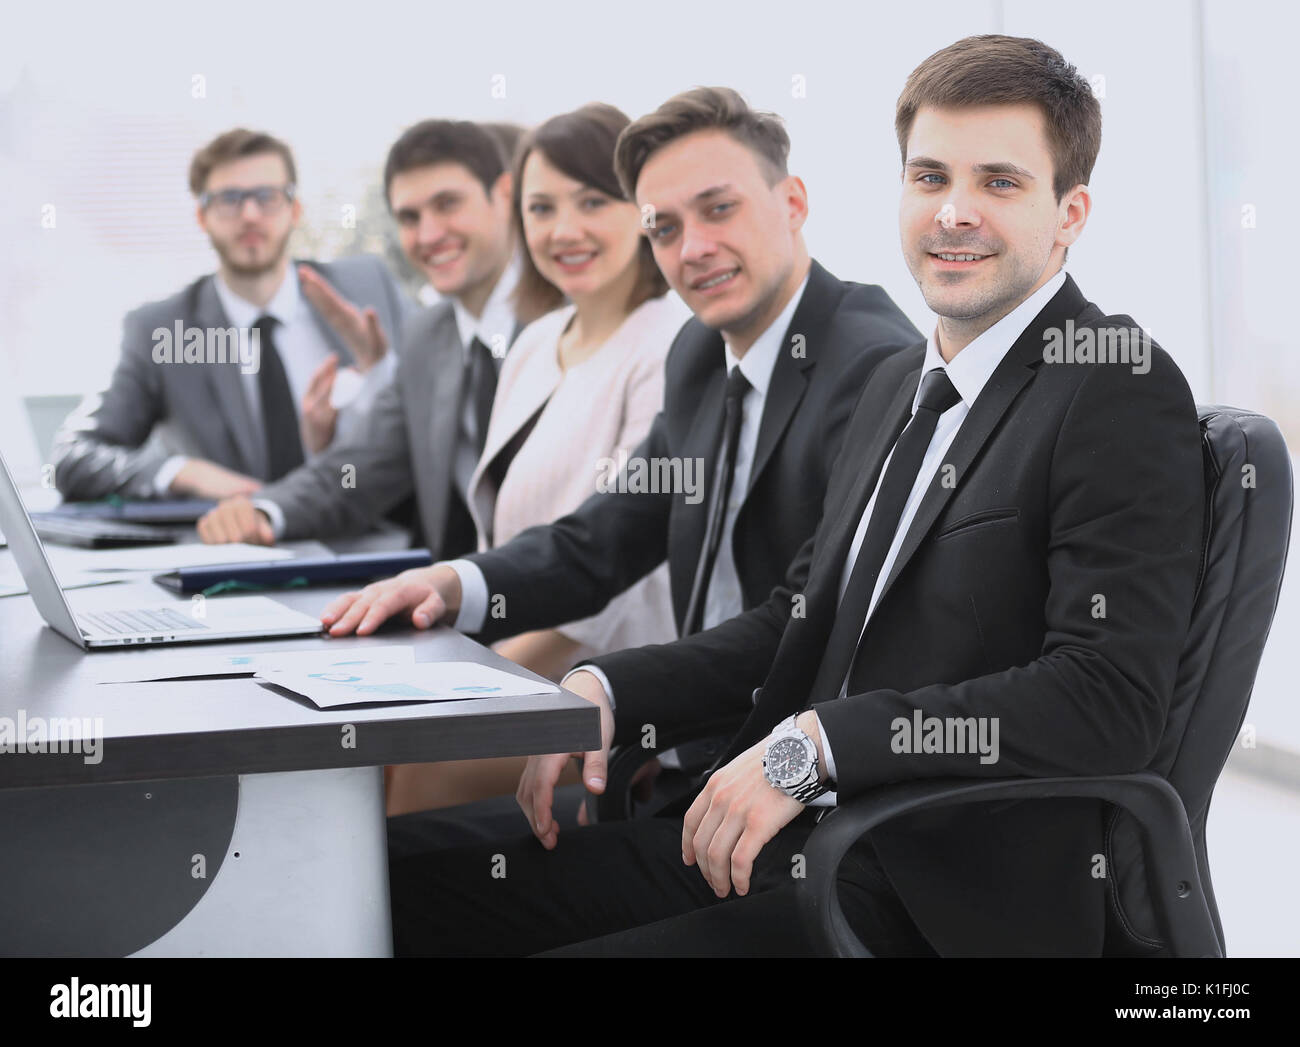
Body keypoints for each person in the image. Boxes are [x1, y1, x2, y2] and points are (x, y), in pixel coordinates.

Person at [383, 35, 1206, 958]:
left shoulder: (1111, 381)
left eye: (1001, 183)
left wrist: (816, 746)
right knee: (386, 891)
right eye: (929, 177)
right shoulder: (905, 380)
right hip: (780, 838)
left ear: (1070, 214)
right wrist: (605, 689)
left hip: (926, 890)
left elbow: (1107, 697)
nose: (954, 212)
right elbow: (798, 616)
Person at [322, 87, 919, 842]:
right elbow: (604, 537)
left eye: (718, 209)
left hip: (794, 806)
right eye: (663, 226)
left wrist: (607, 687)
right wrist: (451, 584)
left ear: (793, 202)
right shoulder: (702, 355)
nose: (691, 246)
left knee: (403, 877)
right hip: (681, 773)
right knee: (386, 864)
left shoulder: (870, 364)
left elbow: (806, 620)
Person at [385, 103, 689, 815]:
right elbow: (505, 548)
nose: (564, 230)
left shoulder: (672, 343)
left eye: (593, 201)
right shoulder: (534, 341)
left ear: (643, 209)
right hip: (509, 660)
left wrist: (476, 683)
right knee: (361, 758)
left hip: (608, 681)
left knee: (401, 769)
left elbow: (621, 574)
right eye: (541, 207)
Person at [196, 120, 540, 559]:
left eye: (448, 204)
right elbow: (355, 473)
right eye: (409, 217)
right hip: (462, 605)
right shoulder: (428, 338)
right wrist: (262, 513)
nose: (430, 235)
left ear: (505, 195)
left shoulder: (568, 318)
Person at [52, 128, 408, 502]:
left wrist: (381, 371)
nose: (250, 215)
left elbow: (435, 412)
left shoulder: (368, 289)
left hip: (377, 537)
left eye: (267, 197)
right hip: (237, 547)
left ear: (295, 210)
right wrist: (182, 471)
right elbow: (72, 457)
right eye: (229, 200)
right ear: (202, 216)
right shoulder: (162, 330)